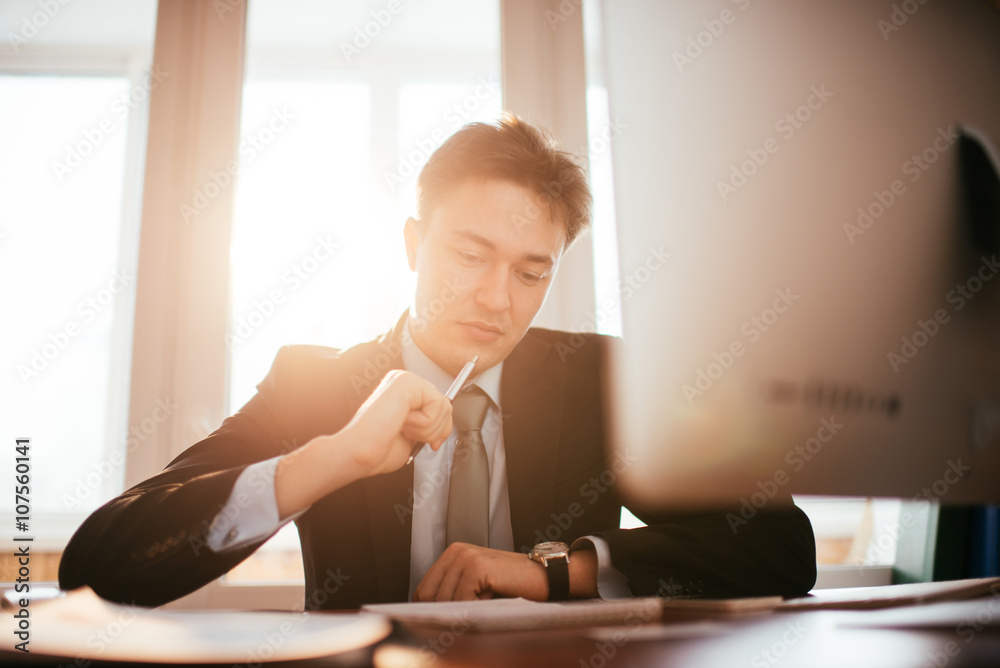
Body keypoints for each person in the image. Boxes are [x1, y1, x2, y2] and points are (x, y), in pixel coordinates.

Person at [59, 114, 816, 609]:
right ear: (415, 245)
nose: (496, 299)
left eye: (530, 273)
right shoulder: (314, 383)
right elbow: (96, 565)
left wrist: (552, 571)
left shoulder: (598, 381)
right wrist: (332, 458)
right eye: (469, 255)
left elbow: (780, 545)